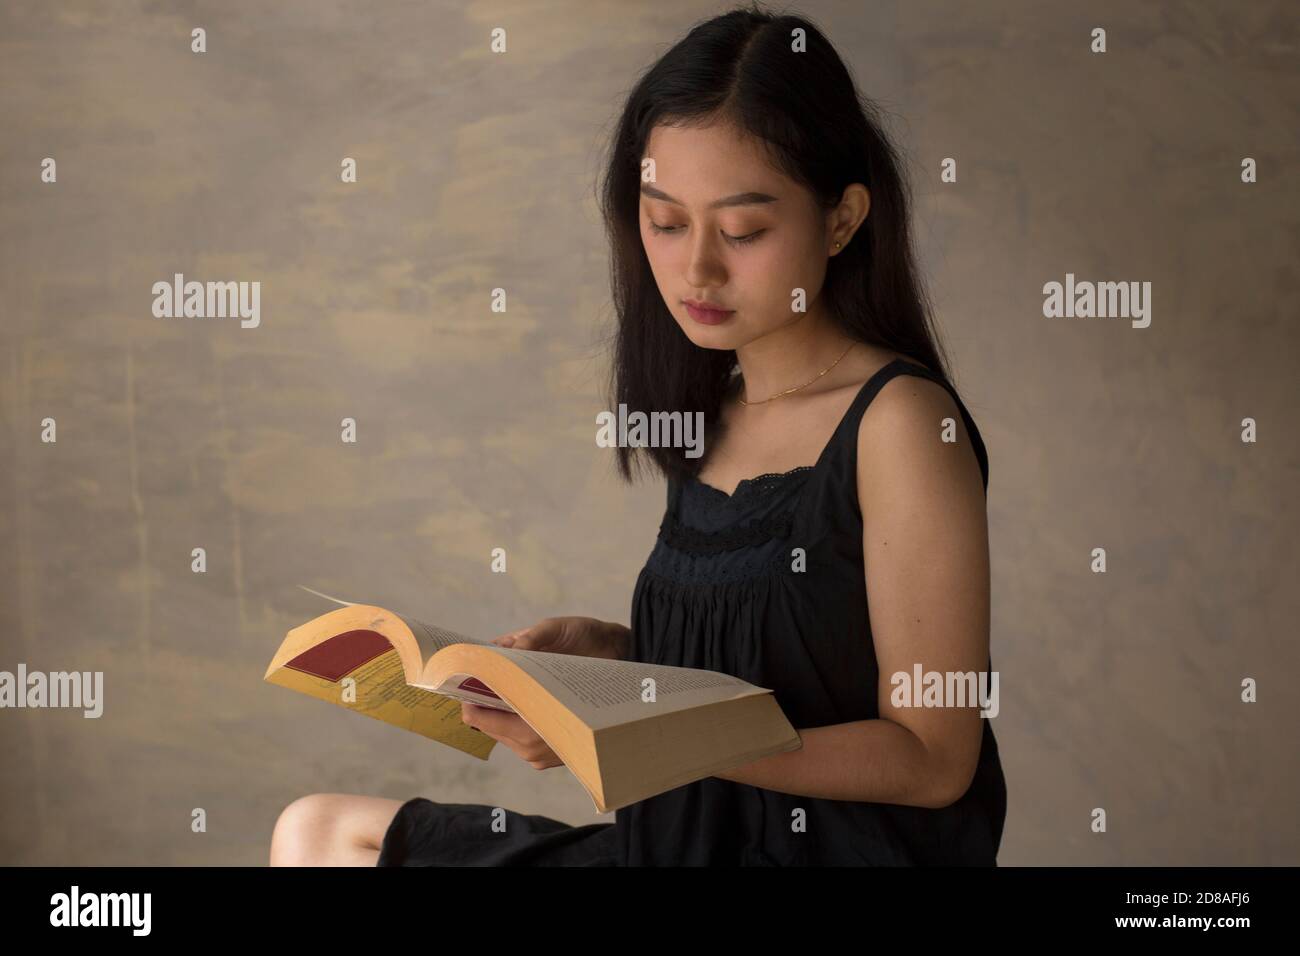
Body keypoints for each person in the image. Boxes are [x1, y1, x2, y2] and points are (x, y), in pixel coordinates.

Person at [269, 3, 1007, 867]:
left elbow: (933, 761)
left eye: (743, 230)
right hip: (672, 846)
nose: (697, 268)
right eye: (665, 221)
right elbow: (782, 666)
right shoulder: (717, 408)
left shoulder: (904, 425)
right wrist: (610, 664)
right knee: (319, 834)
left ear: (842, 219)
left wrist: (646, 734)